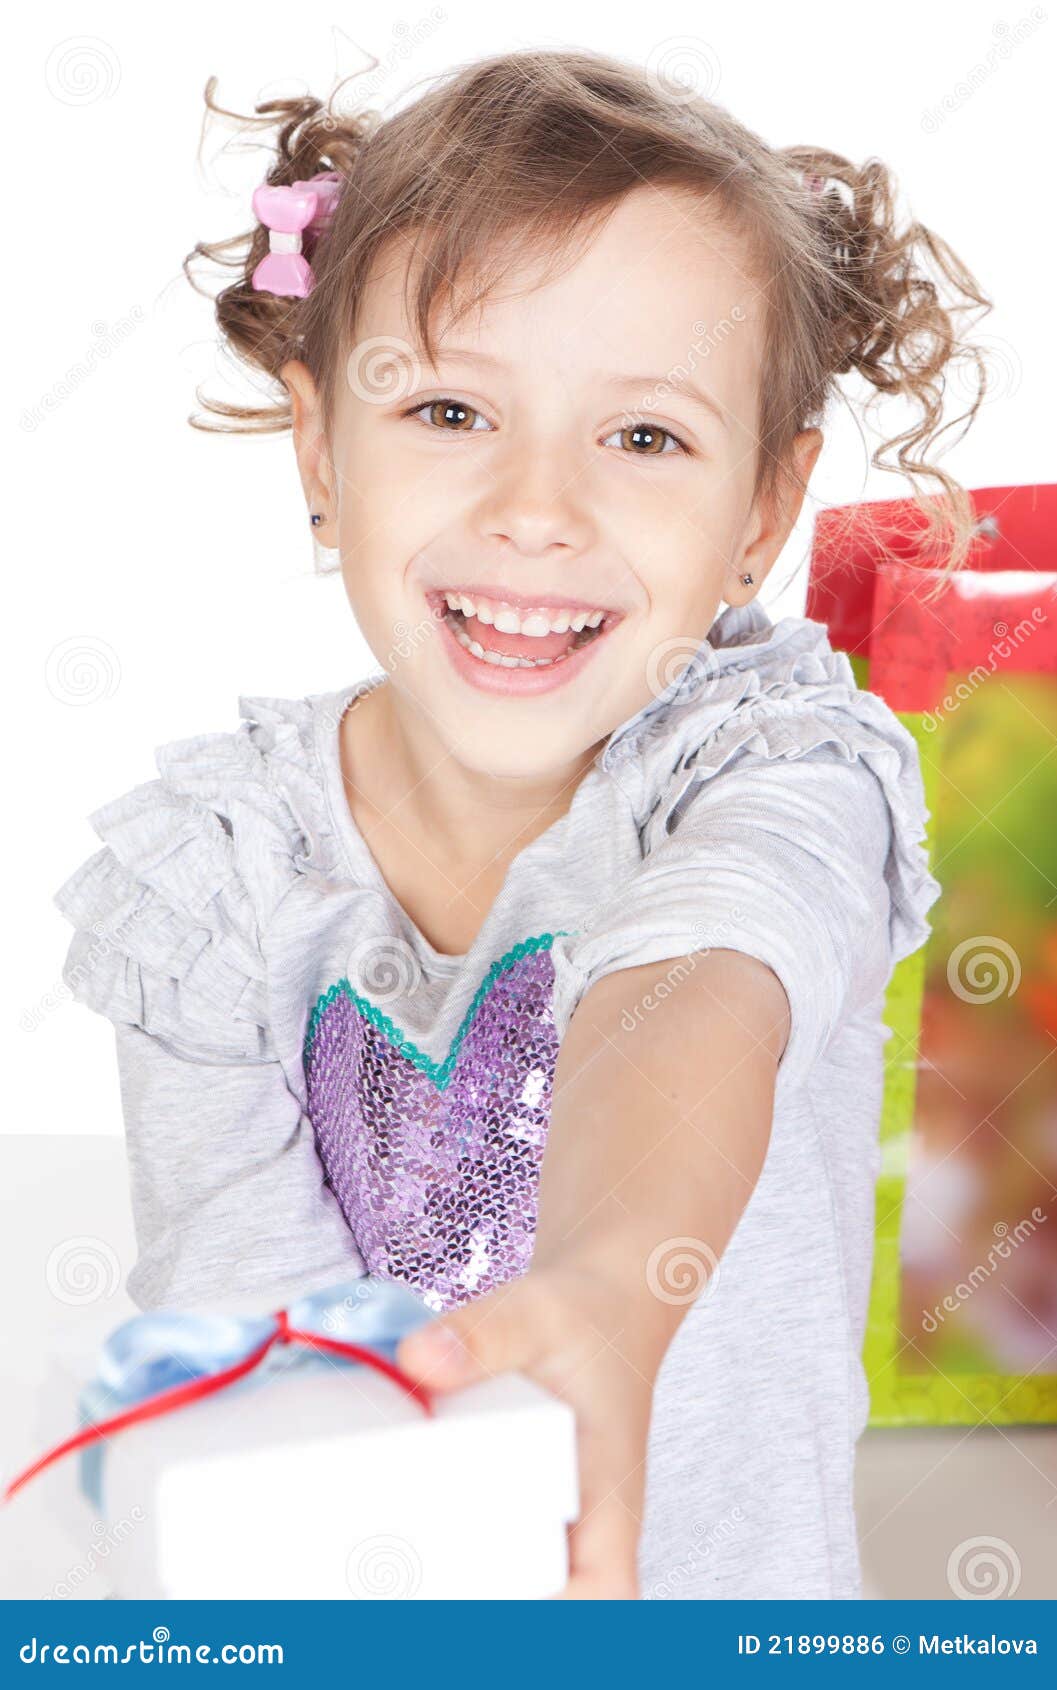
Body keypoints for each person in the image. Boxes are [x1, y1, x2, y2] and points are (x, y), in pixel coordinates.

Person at [53, 46, 993, 1599]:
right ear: (320, 451)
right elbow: (255, 1359)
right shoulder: (219, 871)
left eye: (644, 438)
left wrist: (616, 1284)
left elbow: (703, 983)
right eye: (446, 408)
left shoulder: (773, 765)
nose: (536, 507)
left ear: (762, 511)